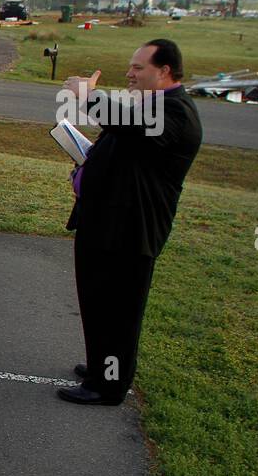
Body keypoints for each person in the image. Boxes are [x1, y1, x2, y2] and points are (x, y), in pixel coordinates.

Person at [58, 39, 202, 406]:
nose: (129, 73)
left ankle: (107, 386)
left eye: (138, 67)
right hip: (107, 222)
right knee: (97, 302)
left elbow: (134, 127)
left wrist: (89, 96)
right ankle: (99, 367)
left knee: (117, 310)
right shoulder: (153, 106)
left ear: (164, 71)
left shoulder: (176, 111)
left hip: (130, 230)